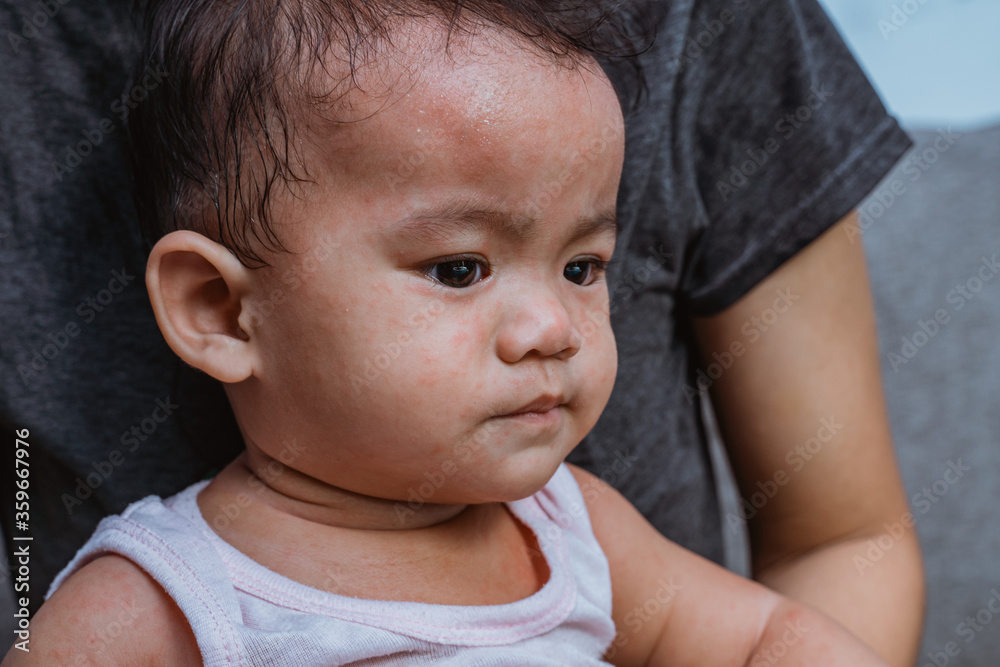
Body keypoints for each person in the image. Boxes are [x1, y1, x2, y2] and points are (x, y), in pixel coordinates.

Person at [0, 0, 923, 663]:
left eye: (583, 268)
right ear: (221, 309)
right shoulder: (164, 599)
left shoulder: (571, 531)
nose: (552, 327)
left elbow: (771, 630)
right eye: (459, 269)